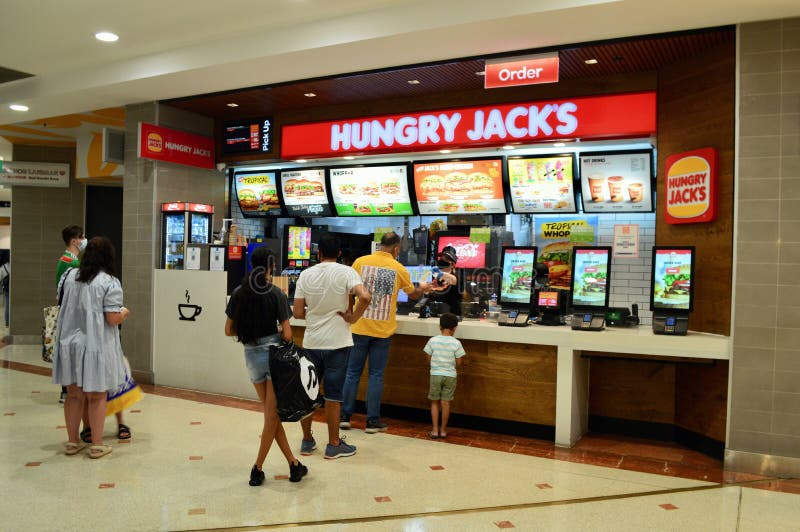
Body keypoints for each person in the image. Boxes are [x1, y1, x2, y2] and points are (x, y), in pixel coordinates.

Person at [224, 246, 307, 486]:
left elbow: (228, 329)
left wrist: (250, 332)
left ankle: (294, 464)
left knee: (271, 416)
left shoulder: (239, 292)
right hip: (274, 359)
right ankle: (257, 468)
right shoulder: (276, 294)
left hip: (251, 358)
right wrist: (279, 332)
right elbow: (289, 335)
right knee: (271, 417)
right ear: (271, 266)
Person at [340, 232, 431, 433]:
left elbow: (349, 290)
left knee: (352, 373)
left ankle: (344, 417)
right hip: (382, 331)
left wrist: (350, 311)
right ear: (396, 249)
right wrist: (423, 288)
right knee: (376, 375)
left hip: (359, 327)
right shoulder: (398, 269)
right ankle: (372, 422)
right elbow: (413, 294)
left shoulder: (360, 262)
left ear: (380, 245)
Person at [293, 232, 371, 459]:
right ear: (339, 253)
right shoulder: (347, 272)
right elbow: (365, 297)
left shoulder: (306, 275)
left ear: (318, 253)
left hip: (312, 342)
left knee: (309, 393)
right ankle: (334, 444)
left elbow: (297, 312)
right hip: (338, 343)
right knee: (333, 395)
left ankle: (307, 441)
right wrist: (354, 317)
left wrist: (316, 312)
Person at [51, 237, 130, 459]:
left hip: (70, 344)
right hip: (96, 345)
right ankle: (97, 444)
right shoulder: (109, 282)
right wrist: (124, 312)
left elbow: (61, 303)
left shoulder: (68, 277)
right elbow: (112, 318)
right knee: (96, 396)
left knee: (73, 395)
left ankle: (72, 442)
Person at [424, 312, 466, 439]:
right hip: (450, 376)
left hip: (435, 374)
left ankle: (435, 430)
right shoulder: (456, 343)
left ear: (439, 327)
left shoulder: (433, 341)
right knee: (446, 403)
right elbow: (459, 362)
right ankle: (443, 431)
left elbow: (428, 358)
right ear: (454, 328)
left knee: (435, 403)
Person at [56, 225, 85, 404]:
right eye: (82, 238)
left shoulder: (65, 259)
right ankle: (67, 390)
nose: (84, 241)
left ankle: (67, 389)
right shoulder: (72, 263)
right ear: (74, 241)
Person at [427, 245, 465, 316]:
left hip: (452, 317)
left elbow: (453, 279)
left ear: (453, 264)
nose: (442, 261)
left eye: (446, 260)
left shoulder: (457, 277)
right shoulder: (434, 276)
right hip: (433, 316)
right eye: (441, 259)